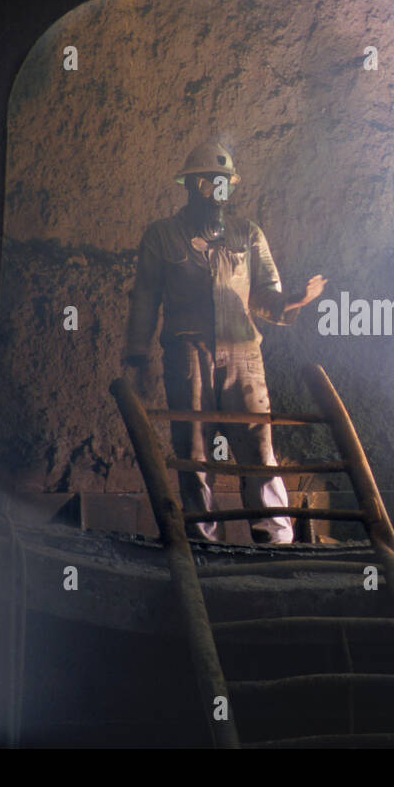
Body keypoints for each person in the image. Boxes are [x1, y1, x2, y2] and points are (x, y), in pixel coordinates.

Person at [123, 141, 326, 543]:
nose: (218, 192)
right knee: (195, 451)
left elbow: (265, 295)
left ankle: (274, 539)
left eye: (224, 184)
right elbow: (145, 297)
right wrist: (137, 355)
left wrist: (295, 300)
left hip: (243, 357)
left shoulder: (247, 234)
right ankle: (202, 544)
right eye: (209, 183)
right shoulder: (162, 236)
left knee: (257, 446)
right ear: (192, 184)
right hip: (188, 355)